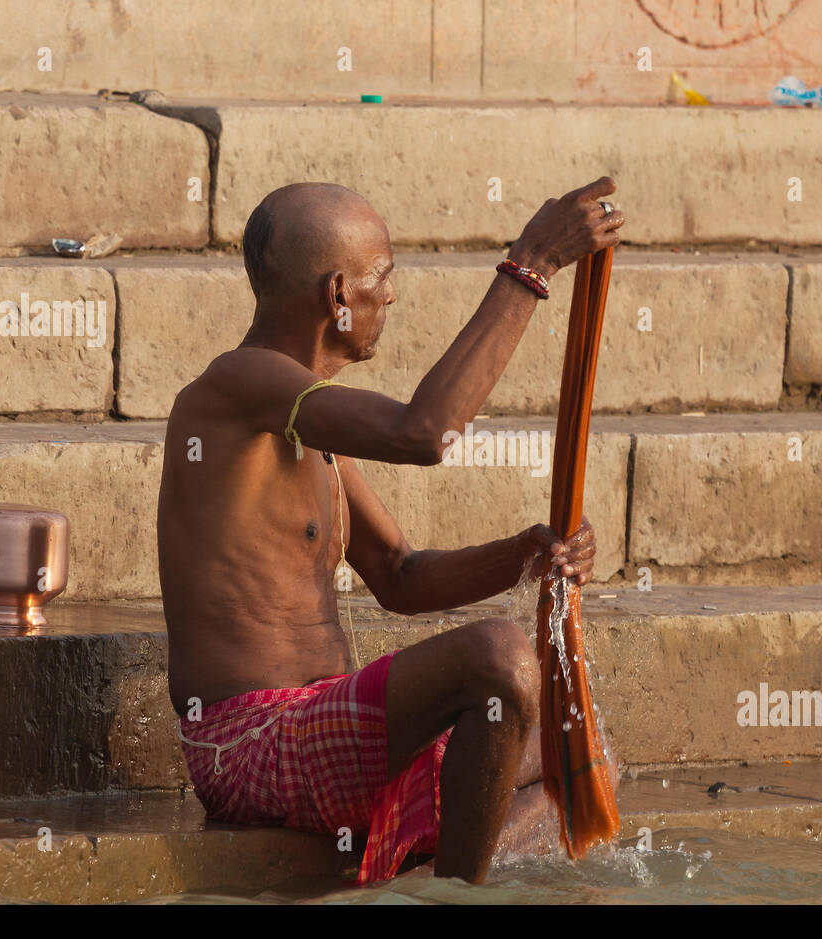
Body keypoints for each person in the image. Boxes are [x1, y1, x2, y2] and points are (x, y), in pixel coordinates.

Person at [156, 176, 626, 884]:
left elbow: (402, 576)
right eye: (385, 276)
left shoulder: (311, 419)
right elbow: (425, 432)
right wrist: (532, 262)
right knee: (499, 656)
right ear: (337, 296)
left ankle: (418, 876)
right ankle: (456, 897)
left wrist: (527, 553)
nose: (394, 295)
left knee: (583, 755)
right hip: (251, 742)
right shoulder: (237, 385)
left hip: (326, 735)